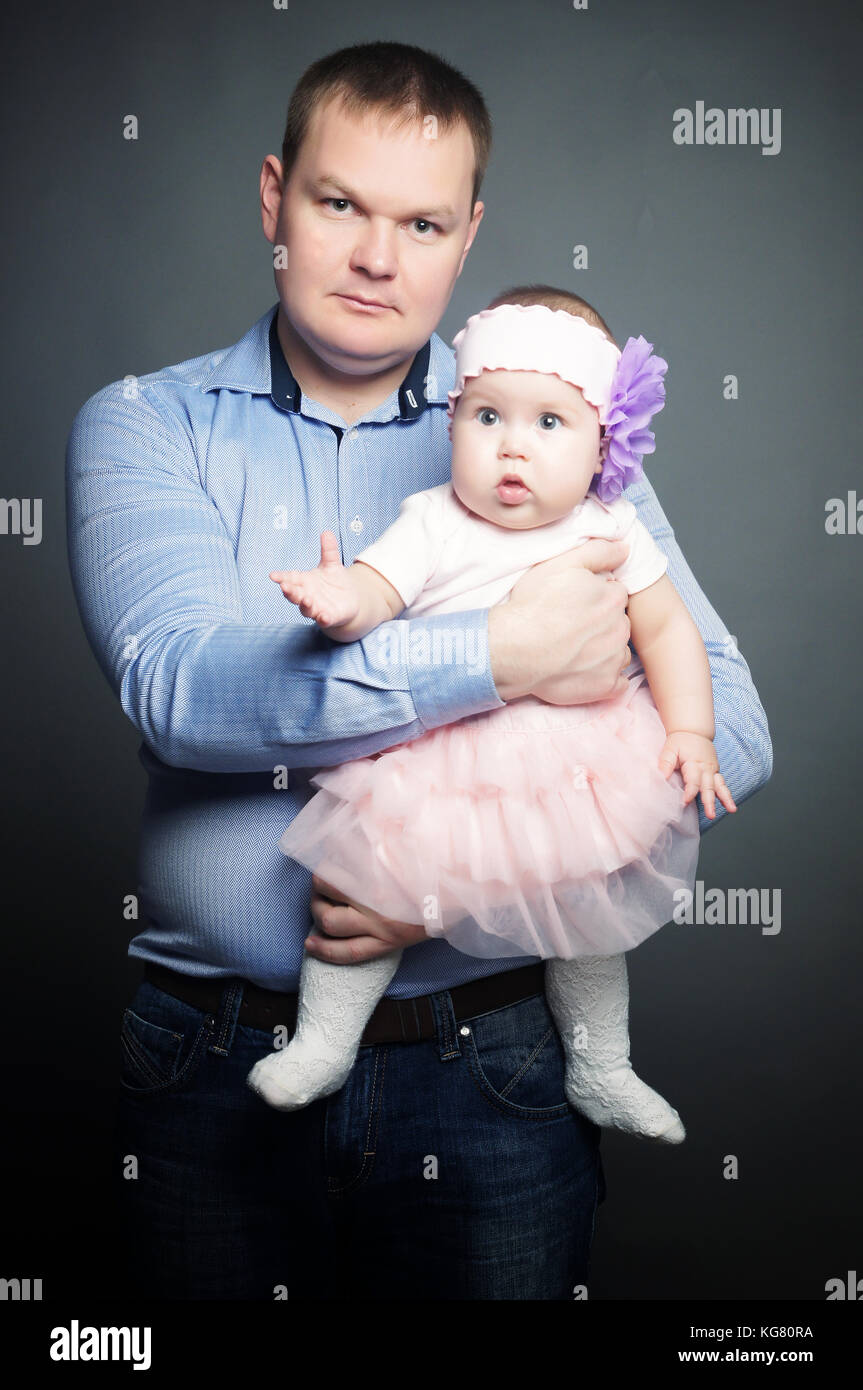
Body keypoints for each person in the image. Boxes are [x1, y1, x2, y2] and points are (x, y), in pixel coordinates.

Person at [65, 41, 772, 1300]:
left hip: (490, 1071)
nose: (378, 258)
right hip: (208, 1064)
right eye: (339, 204)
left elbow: (730, 721)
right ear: (273, 197)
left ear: (468, 233)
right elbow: (181, 692)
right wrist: (499, 657)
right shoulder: (143, 421)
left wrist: (450, 892)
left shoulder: (552, 426)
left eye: (422, 220)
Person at [247, 291, 734, 1146]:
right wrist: (340, 597)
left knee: (587, 914)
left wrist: (690, 733)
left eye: (549, 422)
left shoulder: (613, 527)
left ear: (601, 449)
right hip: (440, 761)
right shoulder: (433, 520)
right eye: (485, 416)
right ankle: (322, 1042)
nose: (512, 444)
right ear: (451, 427)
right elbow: (378, 589)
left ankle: (601, 1063)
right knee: (363, 885)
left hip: (572, 761)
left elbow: (666, 631)